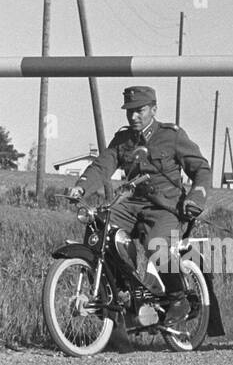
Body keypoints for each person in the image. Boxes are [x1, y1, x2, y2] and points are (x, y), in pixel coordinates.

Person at [66, 86, 211, 326]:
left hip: (164, 207)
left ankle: (177, 298)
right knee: (99, 227)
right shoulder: (123, 139)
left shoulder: (171, 136)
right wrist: (81, 187)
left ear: (153, 109)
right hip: (130, 204)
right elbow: (102, 166)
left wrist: (195, 198)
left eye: (139, 110)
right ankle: (119, 291)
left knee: (156, 245)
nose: (133, 116)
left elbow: (201, 169)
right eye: (129, 111)